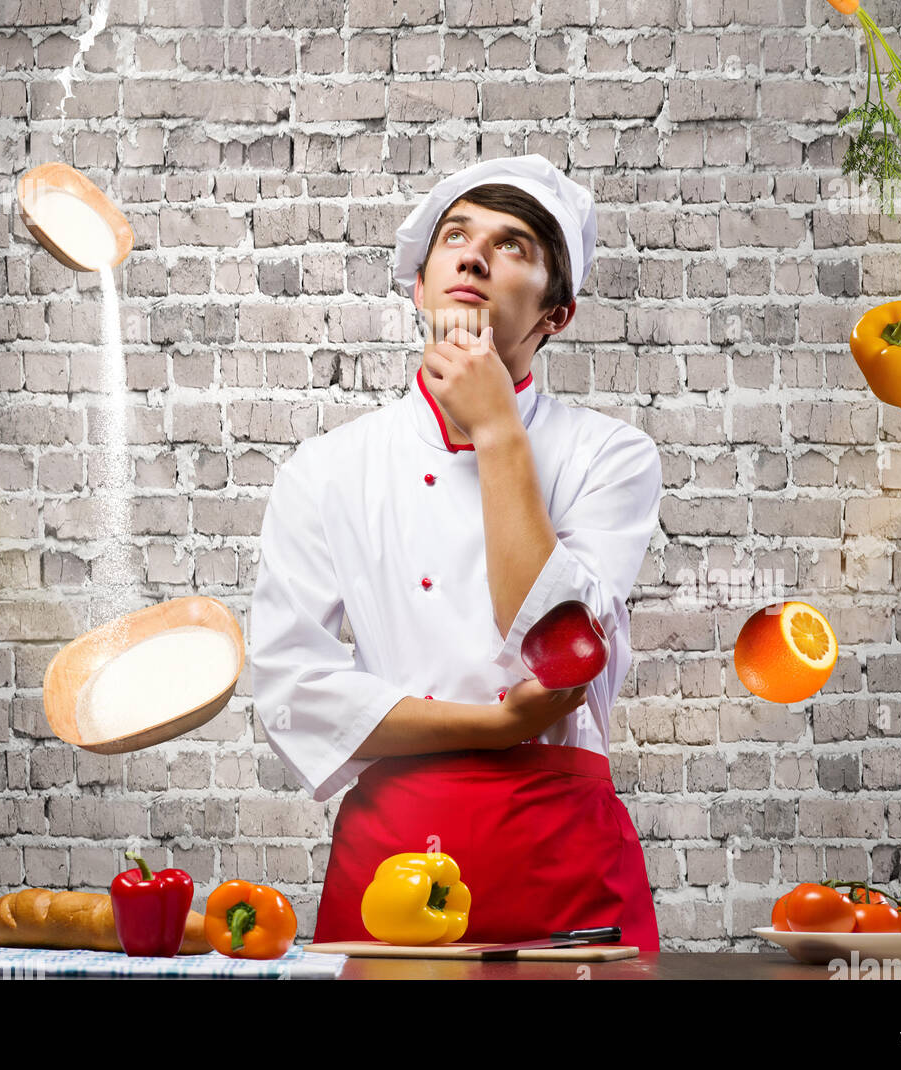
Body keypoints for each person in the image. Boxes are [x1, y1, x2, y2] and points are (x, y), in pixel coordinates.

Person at [250, 155, 664, 950]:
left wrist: (499, 429)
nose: (475, 255)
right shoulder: (330, 469)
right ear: (420, 285)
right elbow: (290, 691)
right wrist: (496, 724)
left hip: (563, 858)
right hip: (395, 864)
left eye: (513, 246)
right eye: (456, 237)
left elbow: (560, 649)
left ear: (556, 315)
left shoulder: (611, 455)